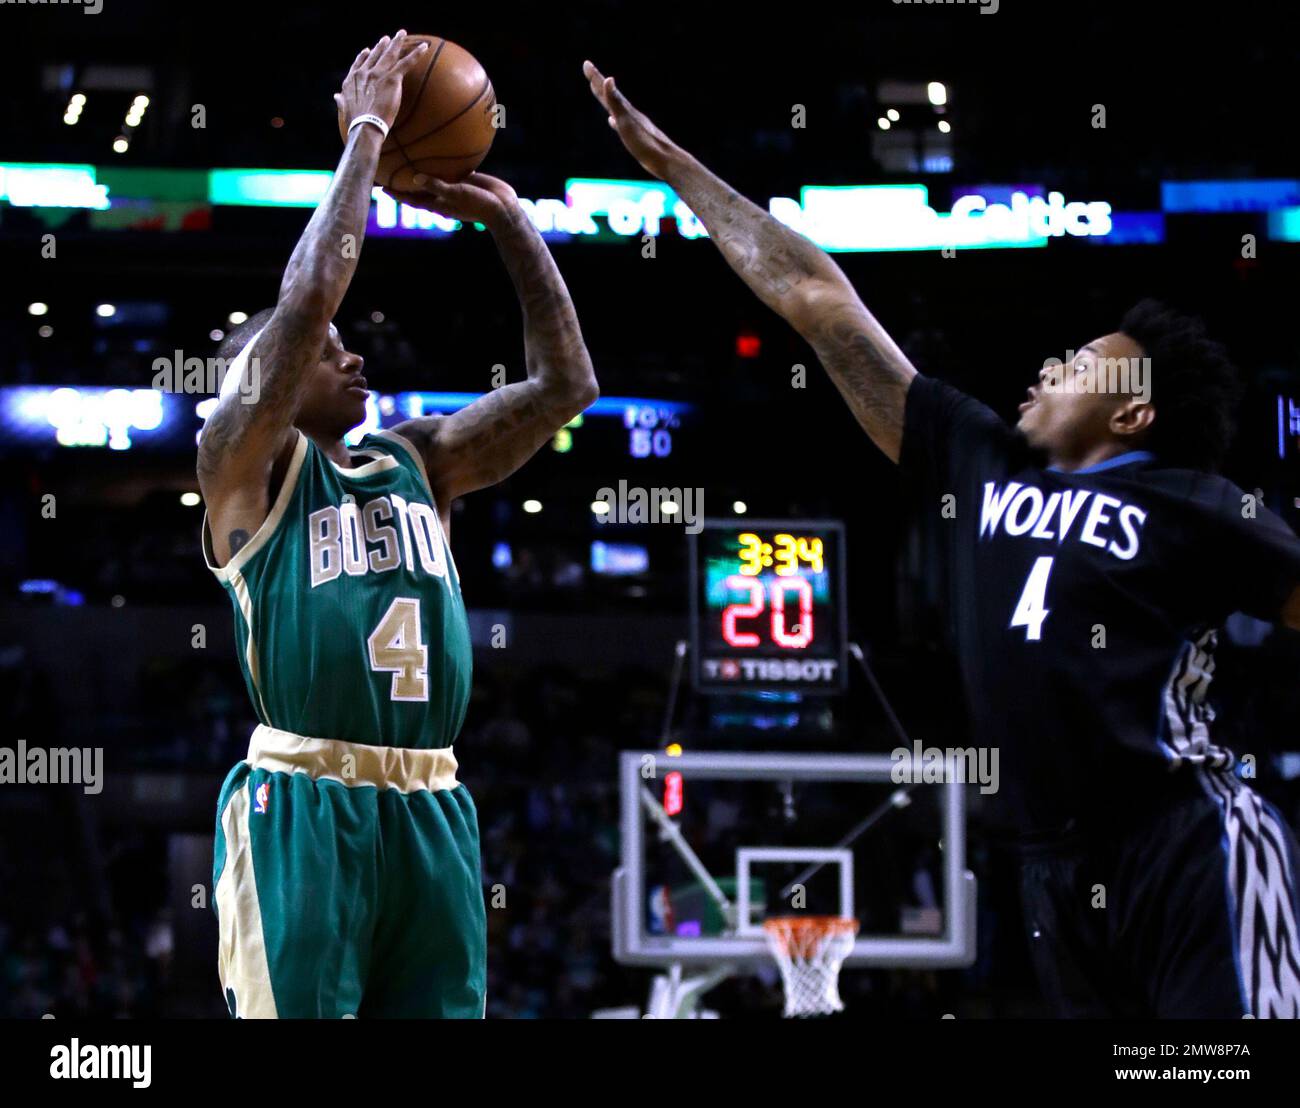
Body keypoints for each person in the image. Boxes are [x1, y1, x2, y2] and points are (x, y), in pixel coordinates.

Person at [583, 60, 1300, 1016]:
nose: (1048, 366)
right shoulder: (981, 457)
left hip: (1184, 837)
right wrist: (678, 172)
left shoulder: (1196, 504)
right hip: (1046, 864)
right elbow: (816, 297)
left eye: (1080, 365)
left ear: (1131, 417)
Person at [195, 32, 597, 1018]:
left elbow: (566, 384)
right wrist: (366, 137)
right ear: (274, 380)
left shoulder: (421, 461)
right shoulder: (242, 466)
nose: (355, 358)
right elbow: (304, 304)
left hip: (431, 802)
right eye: (333, 354)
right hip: (302, 802)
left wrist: (512, 227)